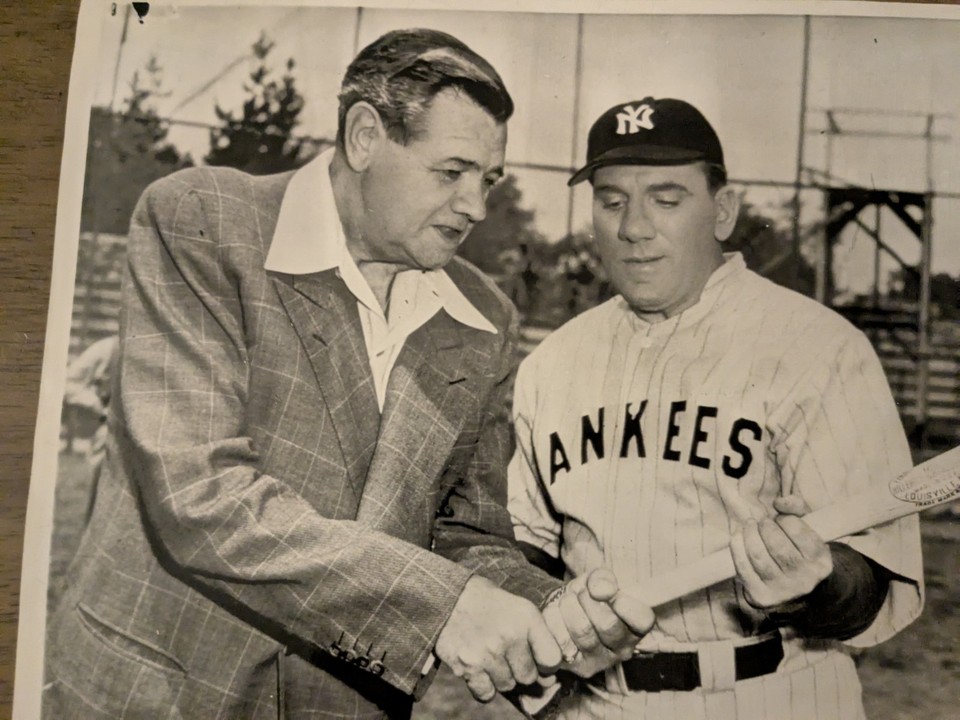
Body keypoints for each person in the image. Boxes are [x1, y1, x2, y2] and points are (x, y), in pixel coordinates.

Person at [43, 31, 652, 720]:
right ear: (364, 136)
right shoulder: (202, 220)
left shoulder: (485, 316)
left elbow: (464, 532)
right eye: (451, 172)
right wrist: (444, 608)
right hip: (154, 694)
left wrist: (550, 607)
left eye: (489, 180)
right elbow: (200, 495)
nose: (475, 207)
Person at [508, 96, 924, 719]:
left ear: (723, 211)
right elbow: (528, 551)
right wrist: (546, 613)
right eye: (612, 200)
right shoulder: (551, 365)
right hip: (595, 703)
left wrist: (812, 583)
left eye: (667, 199)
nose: (634, 227)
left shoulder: (820, 348)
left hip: (773, 692)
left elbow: (870, 586)